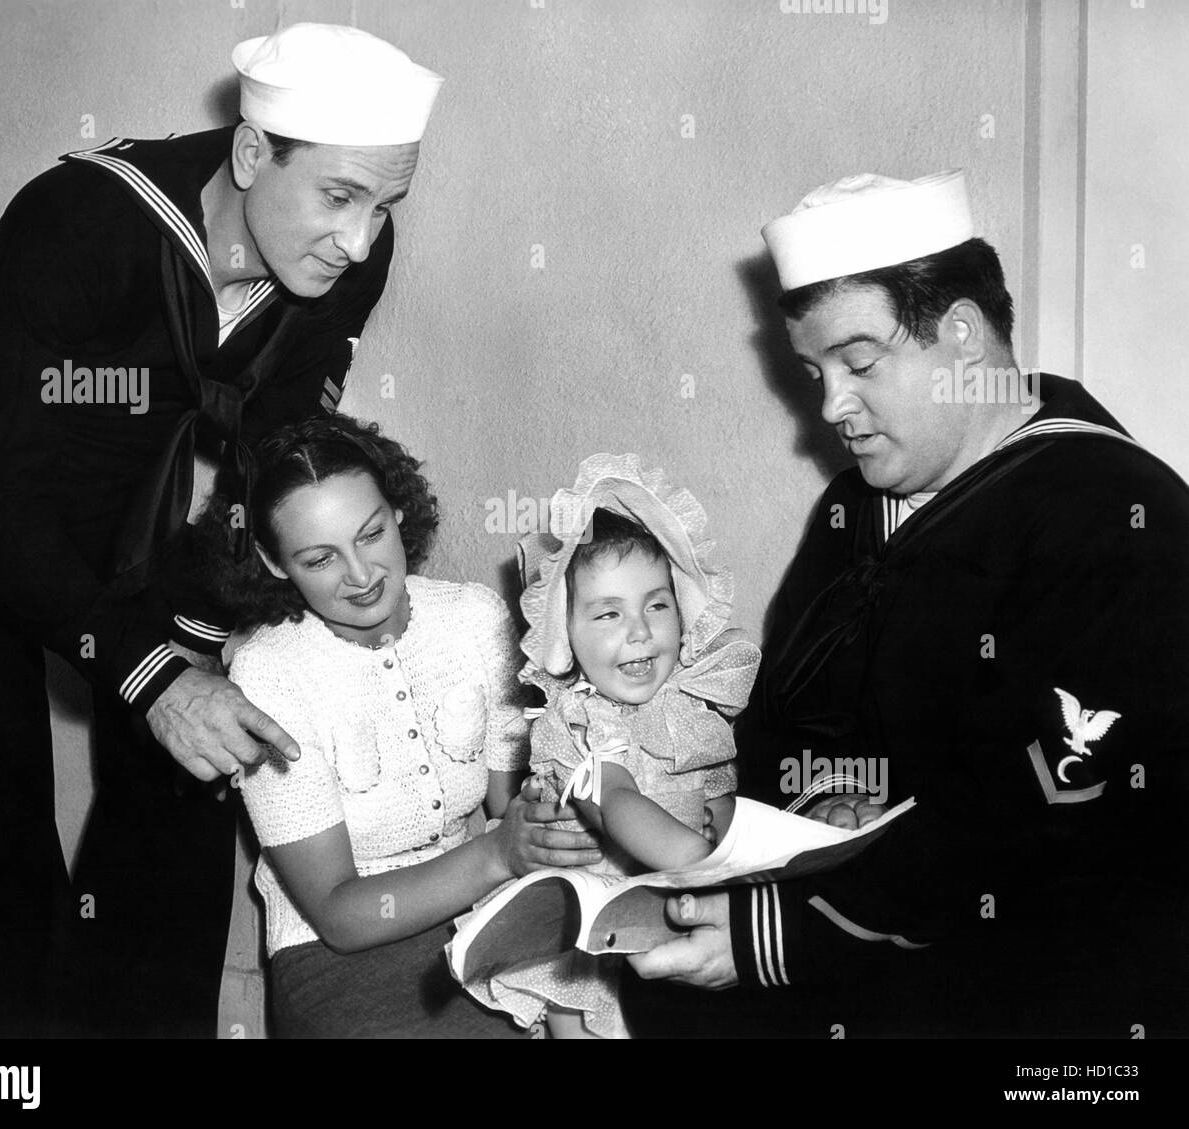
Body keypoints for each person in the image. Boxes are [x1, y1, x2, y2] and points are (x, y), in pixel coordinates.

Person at [0, 22, 443, 1037]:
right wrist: (147, 671)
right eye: (337, 196)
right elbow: (3, 505)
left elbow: (274, 451)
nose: (361, 241)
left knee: (197, 745)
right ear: (249, 153)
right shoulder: (80, 220)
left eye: (382, 205)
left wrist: (308, 585)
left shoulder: (349, 253)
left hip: (136, 458)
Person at [623, 169, 1189, 1038]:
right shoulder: (854, 510)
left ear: (961, 333)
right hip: (856, 926)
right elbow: (781, 722)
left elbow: (1046, 819)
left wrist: (778, 933)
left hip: (1038, 982)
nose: (830, 407)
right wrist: (824, 804)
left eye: (858, 362)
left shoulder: (1116, 513)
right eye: (814, 371)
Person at [202, 415, 601, 1038]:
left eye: (372, 533)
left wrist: (564, 801)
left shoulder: (475, 616)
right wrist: (498, 852)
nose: (361, 576)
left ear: (398, 512)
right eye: (320, 558)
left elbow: (505, 801)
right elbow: (339, 914)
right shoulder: (267, 676)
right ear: (274, 563)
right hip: (339, 955)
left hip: (489, 911)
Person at [455, 454, 760, 1038]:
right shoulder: (576, 725)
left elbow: (717, 792)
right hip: (589, 924)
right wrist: (711, 863)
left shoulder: (691, 706)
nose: (640, 630)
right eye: (608, 614)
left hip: (673, 913)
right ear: (565, 636)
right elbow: (616, 805)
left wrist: (738, 842)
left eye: (657, 604)